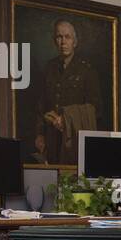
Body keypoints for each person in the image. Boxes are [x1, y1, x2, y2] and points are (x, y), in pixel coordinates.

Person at [33, 19, 102, 165]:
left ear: (75, 42)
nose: (63, 41)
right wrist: (40, 134)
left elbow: (96, 109)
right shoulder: (49, 68)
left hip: (74, 139)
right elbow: (41, 105)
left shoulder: (87, 70)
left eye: (67, 37)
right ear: (54, 41)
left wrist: (67, 119)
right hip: (51, 139)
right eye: (59, 37)